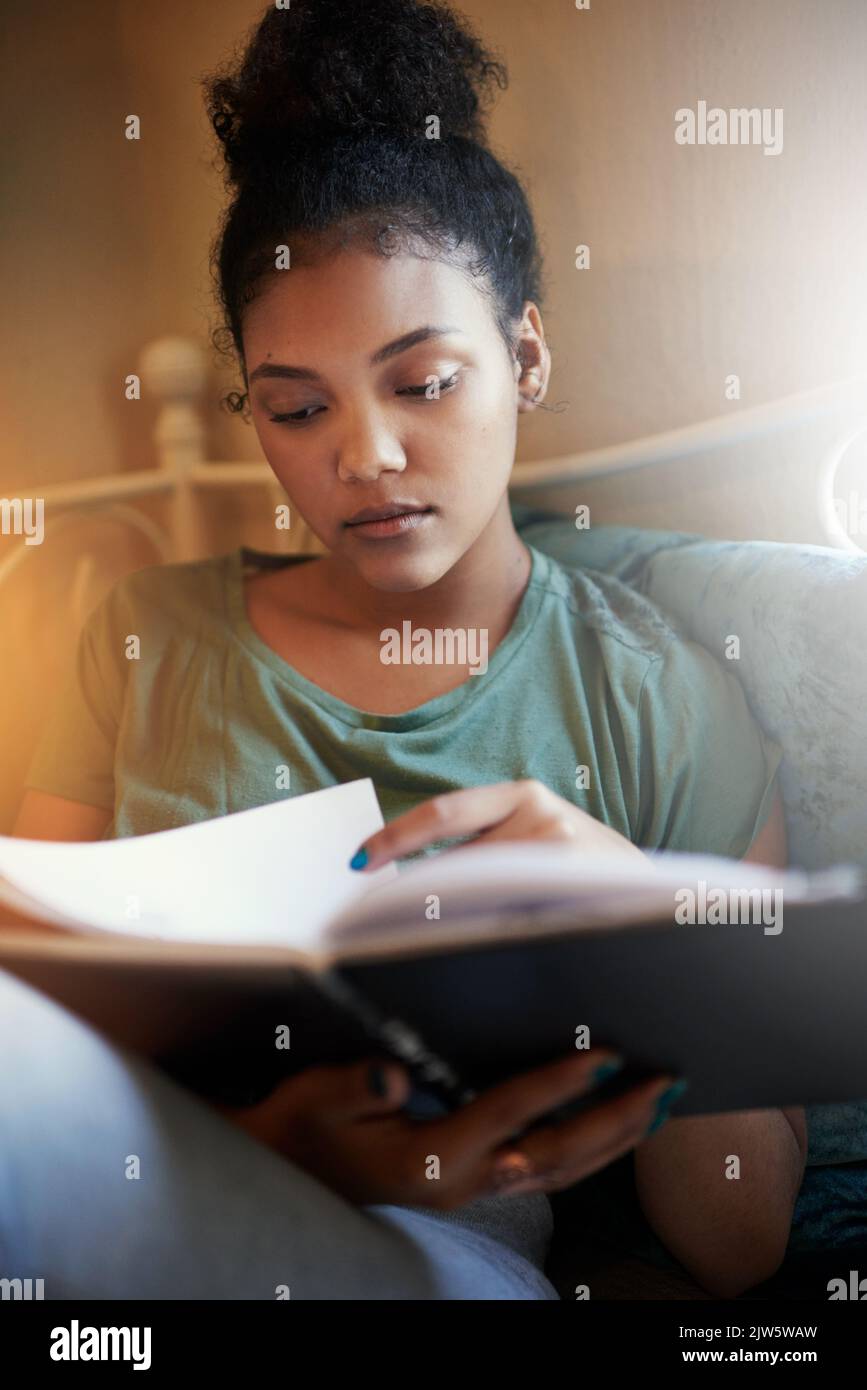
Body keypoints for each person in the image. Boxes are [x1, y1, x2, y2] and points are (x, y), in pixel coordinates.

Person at [6, 0, 805, 1300]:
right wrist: (270, 1140)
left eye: (423, 382)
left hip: (447, 1260)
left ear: (525, 353)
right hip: (133, 1210)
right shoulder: (143, 638)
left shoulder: (662, 697)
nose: (362, 456)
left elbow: (740, 1245)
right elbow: (33, 1036)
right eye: (297, 406)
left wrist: (638, 926)